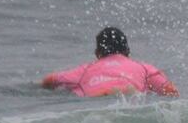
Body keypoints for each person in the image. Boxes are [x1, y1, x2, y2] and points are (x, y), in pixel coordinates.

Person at [41, 27, 179, 98]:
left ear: (97, 53)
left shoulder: (84, 70)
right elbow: (171, 91)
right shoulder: (144, 68)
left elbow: (50, 79)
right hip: (129, 94)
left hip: (98, 96)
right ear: (128, 51)